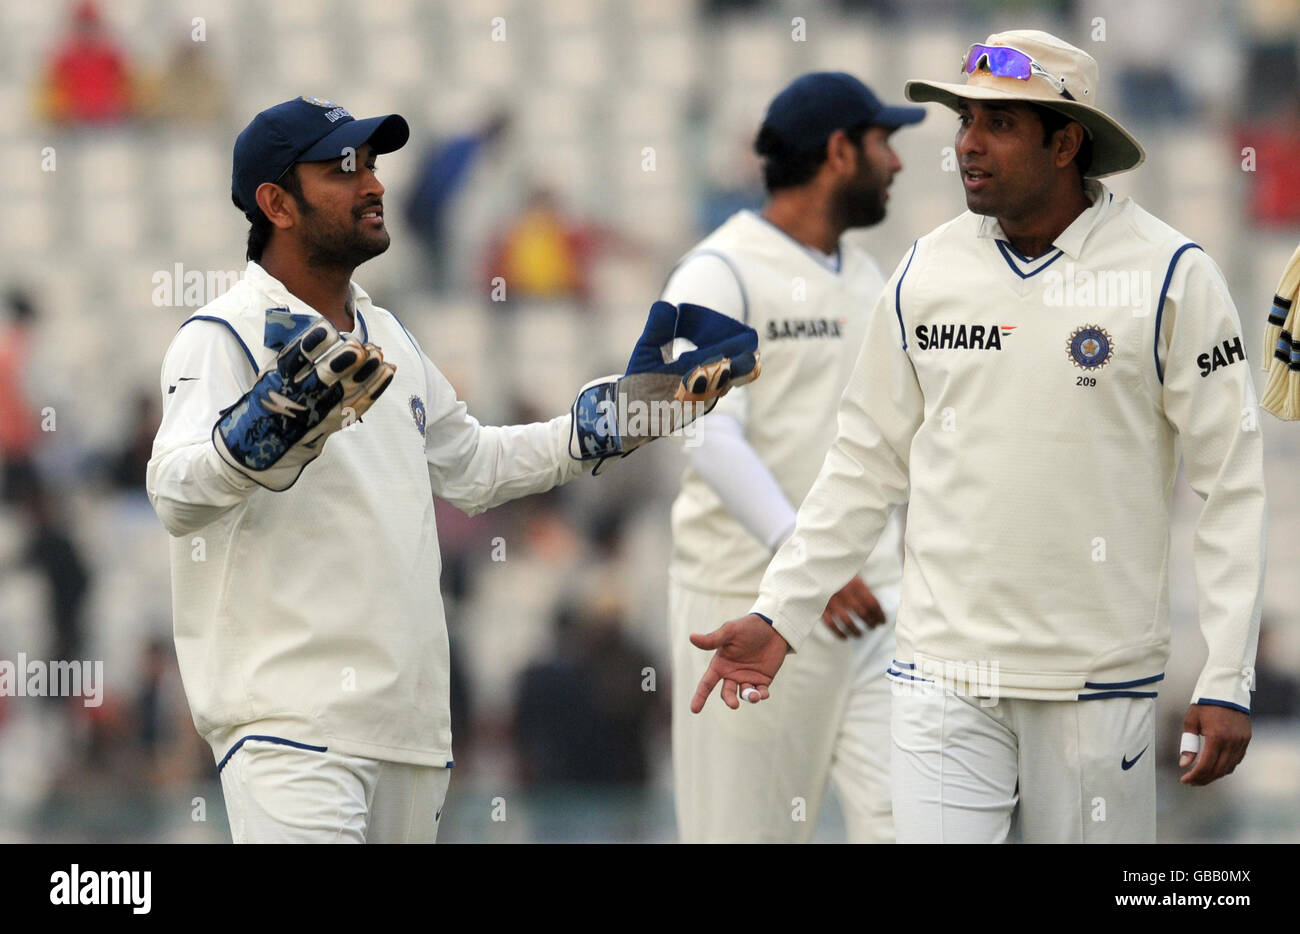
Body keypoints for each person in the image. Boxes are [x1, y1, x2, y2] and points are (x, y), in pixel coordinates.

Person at [690, 30, 1266, 844]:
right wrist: (780, 612)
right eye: (964, 119)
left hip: (1097, 687)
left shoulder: (1172, 274)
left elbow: (1232, 486)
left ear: (1066, 142)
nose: (966, 143)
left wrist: (1228, 675)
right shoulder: (926, 272)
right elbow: (862, 467)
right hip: (942, 678)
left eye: (998, 123)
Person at [145, 96, 757, 843]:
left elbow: (475, 467)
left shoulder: (387, 333)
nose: (372, 183)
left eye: (371, 164)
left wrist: (623, 419)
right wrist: (261, 433)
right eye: (343, 168)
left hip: (408, 736)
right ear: (275, 201)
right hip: (292, 732)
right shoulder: (223, 336)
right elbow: (175, 492)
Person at [663, 72, 923, 843]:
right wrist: (801, 557)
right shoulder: (719, 272)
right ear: (841, 151)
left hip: (872, 609)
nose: (899, 165)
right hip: (744, 604)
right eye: (884, 144)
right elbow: (700, 427)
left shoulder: (872, 277)